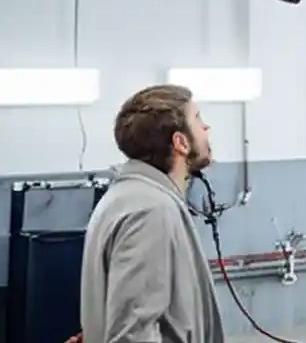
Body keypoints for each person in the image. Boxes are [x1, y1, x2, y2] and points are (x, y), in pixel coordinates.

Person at [79, 84, 225, 343]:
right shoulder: (151, 210)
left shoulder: (128, 196)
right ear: (180, 142)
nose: (206, 128)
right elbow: (132, 334)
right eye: (198, 118)